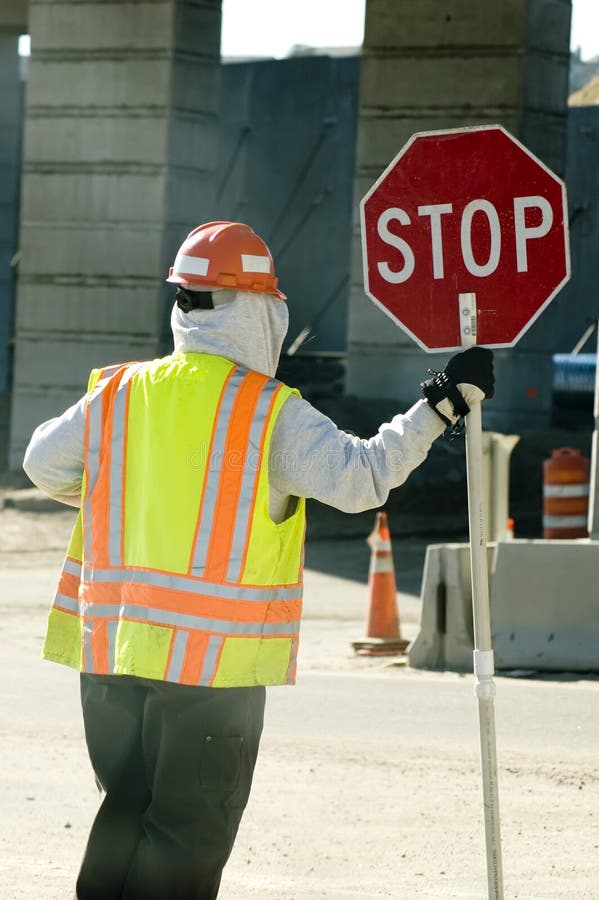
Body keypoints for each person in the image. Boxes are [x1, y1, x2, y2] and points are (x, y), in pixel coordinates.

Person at [23, 220, 494, 900]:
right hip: (211, 671)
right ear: (258, 310)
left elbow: (43, 464)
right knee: (186, 838)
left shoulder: (121, 392)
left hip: (112, 660)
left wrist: (115, 492)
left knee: (124, 817)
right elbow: (360, 478)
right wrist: (440, 406)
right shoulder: (265, 411)